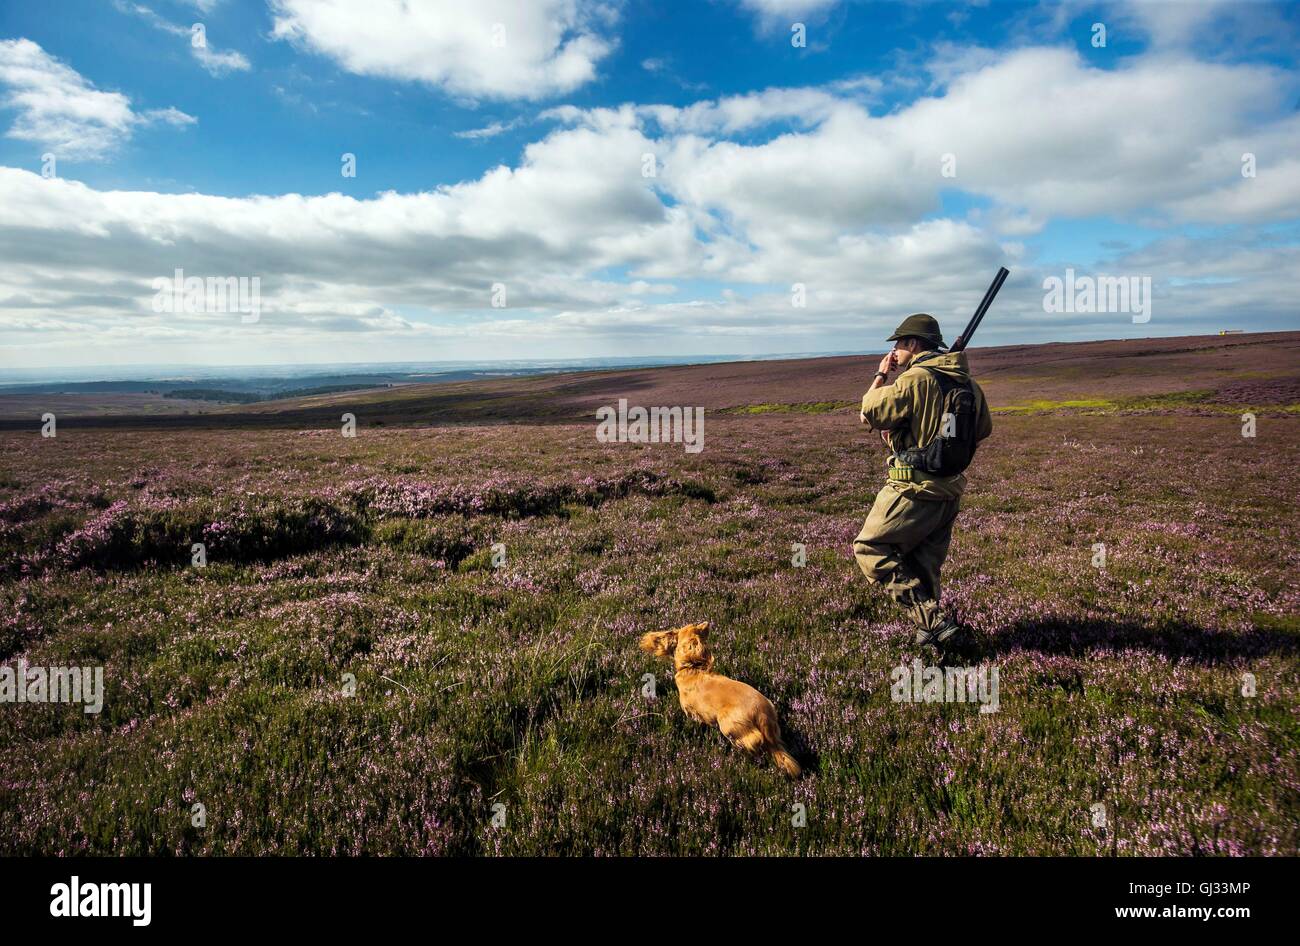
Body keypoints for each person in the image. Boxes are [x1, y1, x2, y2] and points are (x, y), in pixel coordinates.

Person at [853, 313, 993, 651]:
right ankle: (937, 647)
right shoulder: (968, 384)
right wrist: (935, 441)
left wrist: (881, 373)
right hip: (949, 492)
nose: (896, 353)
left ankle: (934, 622)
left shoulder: (915, 379)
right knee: (924, 567)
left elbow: (869, 412)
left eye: (899, 345)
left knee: (870, 548)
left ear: (913, 344)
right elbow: (983, 429)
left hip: (912, 488)